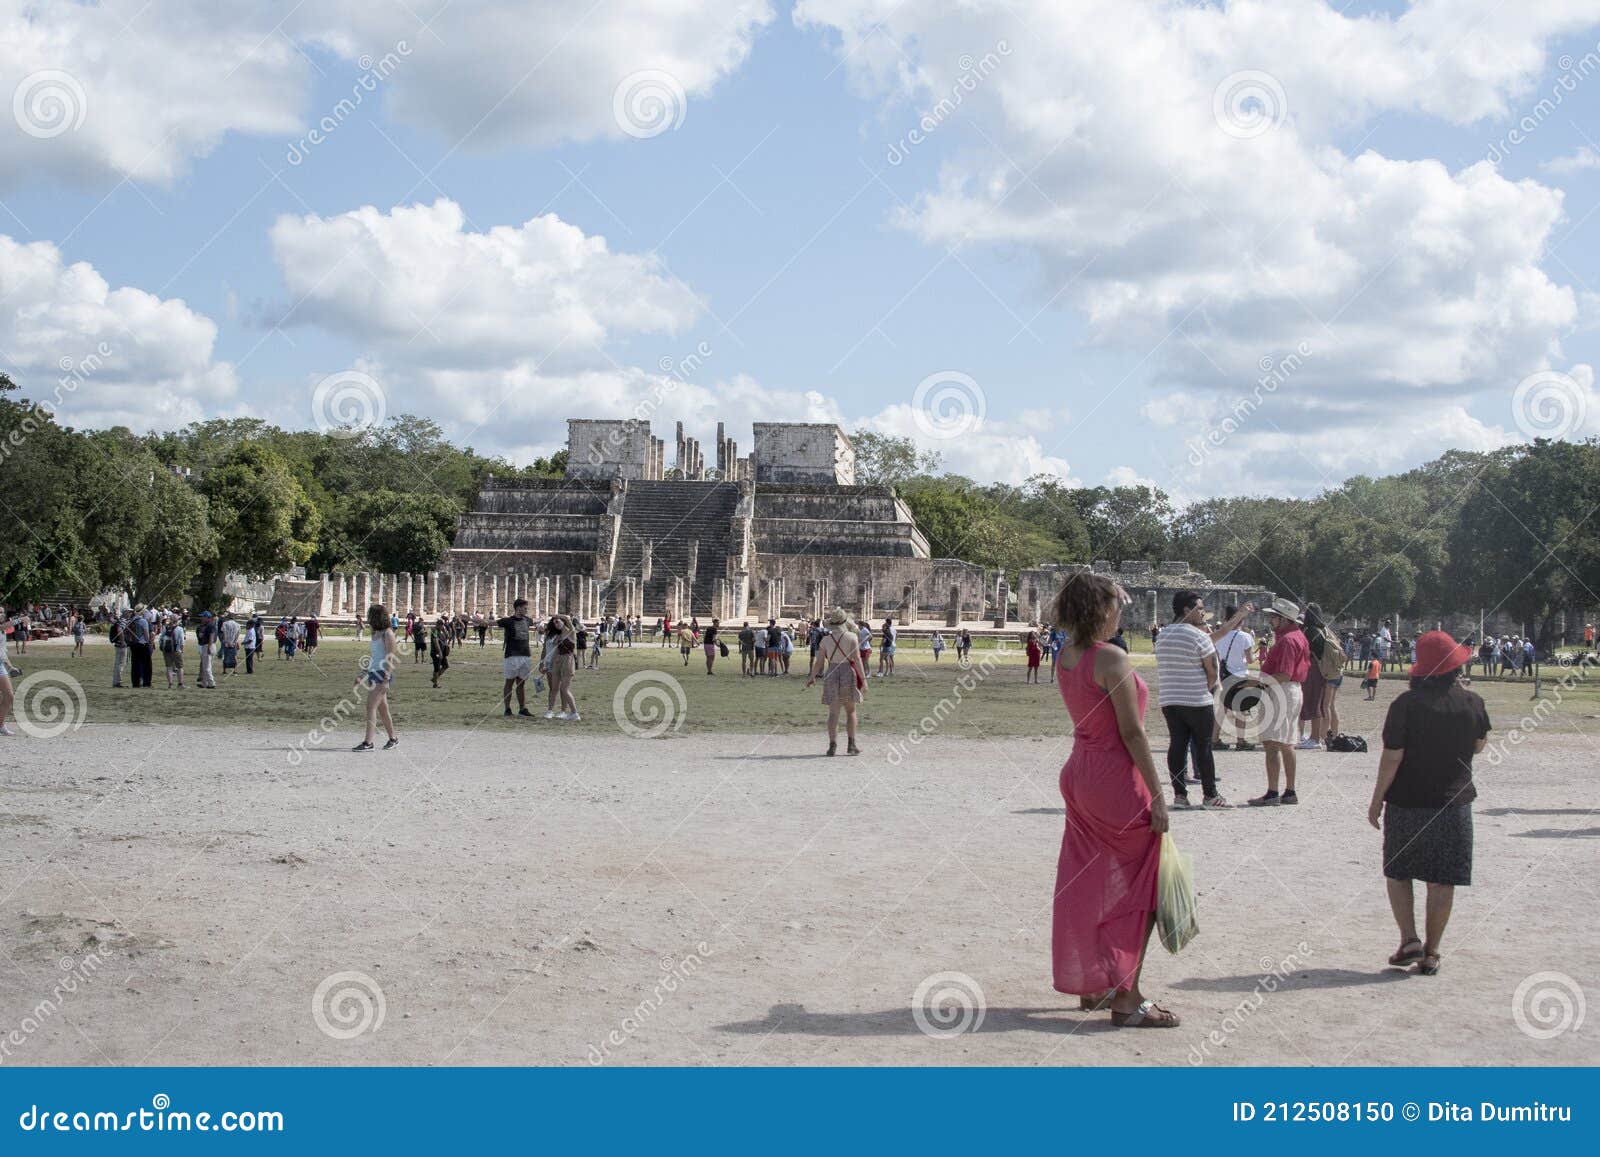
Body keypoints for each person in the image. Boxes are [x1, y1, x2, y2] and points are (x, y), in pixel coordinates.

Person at [1049, 572, 1177, 1028]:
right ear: (1101, 610)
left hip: (1080, 772)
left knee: (1089, 883)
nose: (1120, 612)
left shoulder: (1068, 656)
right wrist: (1160, 795)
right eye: (1116, 605)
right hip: (1115, 780)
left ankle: (1096, 984)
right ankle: (1128, 995)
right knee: (1141, 886)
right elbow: (1131, 732)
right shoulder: (1111, 659)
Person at [1367, 631, 1489, 977]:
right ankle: (1433, 952)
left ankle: (1409, 939)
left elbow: (1392, 757)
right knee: (1442, 879)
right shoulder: (1473, 702)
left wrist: (1376, 800)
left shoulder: (1405, 705)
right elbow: (1479, 746)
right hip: (1454, 803)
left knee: (1398, 871)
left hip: (1407, 801)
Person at [1154, 591, 1242, 809]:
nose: (1203, 613)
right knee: (1203, 747)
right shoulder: (1199, 636)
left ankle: (1180, 795)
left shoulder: (1163, 635)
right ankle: (1210, 795)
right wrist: (1208, 687)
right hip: (1196, 699)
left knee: (1177, 745)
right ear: (1187, 610)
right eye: (1200, 608)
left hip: (1170, 698)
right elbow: (1212, 671)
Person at [1249, 598, 1310, 807]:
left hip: (1281, 690)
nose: (1270, 620)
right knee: (1287, 741)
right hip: (1292, 690)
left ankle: (1273, 792)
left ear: (1284, 619)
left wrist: (1259, 686)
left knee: (1272, 743)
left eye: (1273, 616)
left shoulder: (1286, 641)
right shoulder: (1297, 636)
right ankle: (1289, 790)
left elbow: (1284, 673)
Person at [806, 607, 866, 756]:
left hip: (831, 673)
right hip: (847, 671)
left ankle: (832, 745)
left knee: (833, 713)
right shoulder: (852, 637)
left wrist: (812, 676)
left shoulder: (826, 640)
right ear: (845, 622)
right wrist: (864, 679)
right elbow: (857, 660)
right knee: (850, 710)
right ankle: (851, 745)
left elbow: (819, 662)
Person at [354, 603, 399, 751]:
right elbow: (374, 657)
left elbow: (390, 658)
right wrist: (362, 674)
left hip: (382, 675)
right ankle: (393, 738)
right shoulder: (375, 634)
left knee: (370, 706)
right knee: (382, 709)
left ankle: (368, 742)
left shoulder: (388, 633)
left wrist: (386, 680)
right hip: (374, 673)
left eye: (370, 615)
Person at [1212, 606, 1255, 751]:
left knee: (1222, 709)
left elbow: (1217, 657)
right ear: (1241, 620)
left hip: (1224, 675)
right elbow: (1250, 659)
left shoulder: (1219, 636)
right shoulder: (1245, 637)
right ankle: (1241, 740)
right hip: (1240, 675)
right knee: (1241, 709)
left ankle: (1214, 738)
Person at [497, 598, 536, 717]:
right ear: (518, 608)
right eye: (525, 608)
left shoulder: (528, 620)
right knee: (509, 682)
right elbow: (493, 623)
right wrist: (480, 621)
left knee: (521, 683)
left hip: (525, 655)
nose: (526, 610)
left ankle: (522, 708)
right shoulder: (508, 621)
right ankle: (507, 709)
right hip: (512, 656)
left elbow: (536, 624)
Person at [543, 614, 580, 720]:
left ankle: (574, 713)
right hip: (557, 661)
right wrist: (548, 664)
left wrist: (558, 616)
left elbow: (570, 623)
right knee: (554, 688)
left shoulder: (571, 632)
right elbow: (555, 651)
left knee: (564, 689)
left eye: (558, 621)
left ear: (563, 621)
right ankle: (550, 711)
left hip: (568, 660)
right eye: (554, 623)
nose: (556, 624)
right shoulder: (558, 636)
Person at [127, 607, 153, 688]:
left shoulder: (131, 621)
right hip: (142, 644)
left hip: (133, 645)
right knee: (146, 664)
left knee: (135, 664)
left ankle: (135, 683)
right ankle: (146, 682)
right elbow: (146, 635)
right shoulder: (143, 621)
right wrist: (149, 642)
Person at [159, 614, 186, 689]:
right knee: (180, 667)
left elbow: (161, 638)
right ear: (177, 620)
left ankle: (170, 684)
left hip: (166, 650)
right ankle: (180, 684)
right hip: (176, 650)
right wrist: (181, 650)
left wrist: (162, 647)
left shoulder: (166, 627)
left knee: (168, 667)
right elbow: (182, 641)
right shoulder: (180, 628)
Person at [0, 607, 15, 736]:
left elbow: (2, 653)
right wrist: (21, 619)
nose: (2, 613)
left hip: (0, 665)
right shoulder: (2, 628)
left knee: (9, 696)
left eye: (2, 611)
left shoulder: (3, 632)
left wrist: (10, 667)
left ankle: (0, 725)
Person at [429, 615, 452, 688]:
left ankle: (434, 679)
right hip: (436, 653)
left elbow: (448, 637)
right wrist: (439, 652)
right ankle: (435, 683)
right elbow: (435, 642)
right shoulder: (434, 631)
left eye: (443, 625)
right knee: (437, 668)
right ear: (437, 625)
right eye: (440, 625)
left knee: (446, 666)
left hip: (443, 652)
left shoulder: (442, 631)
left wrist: (445, 630)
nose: (442, 627)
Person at [195, 611, 217, 688]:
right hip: (209, 645)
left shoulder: (210, 626)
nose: (202, 618)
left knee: (207, 666)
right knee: (205, 666)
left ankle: (211, 683)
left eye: (203, 617)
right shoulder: (208, 625)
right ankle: (204, 683)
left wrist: (209, 647)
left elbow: (211, 637)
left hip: (208, 645)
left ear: (207, 618)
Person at [110, 611, 129, 687]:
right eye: (129, 612)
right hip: (121, 645)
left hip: (117, 645)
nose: (130, 613)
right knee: (121, 664)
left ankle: (116, 681)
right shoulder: (121, 622)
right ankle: (118, 682)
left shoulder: (118, 622)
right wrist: (123, 641)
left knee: (118, 663)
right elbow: (119, 630)